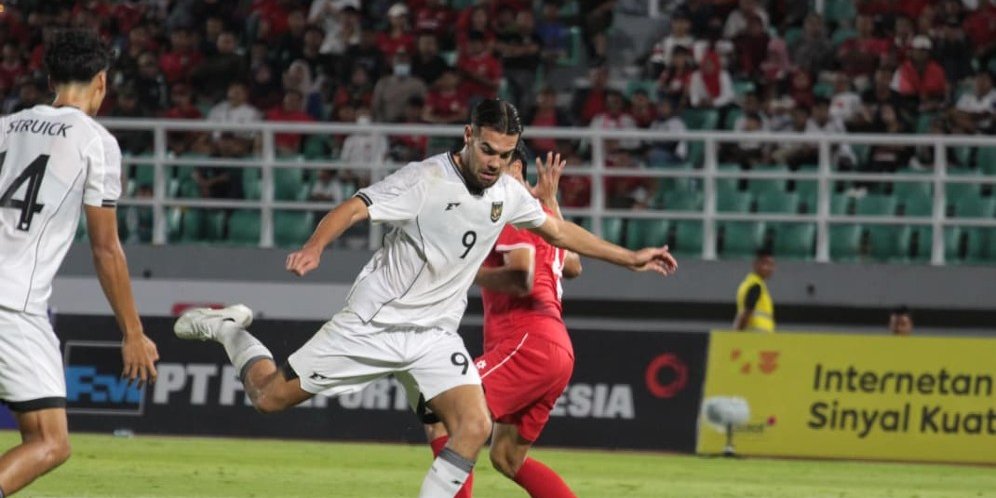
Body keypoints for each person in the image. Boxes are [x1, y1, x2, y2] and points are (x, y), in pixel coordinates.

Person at [172, 99, 677, 498]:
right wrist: (314, 246)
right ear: (468, 137)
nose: (495, 163)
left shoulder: (508, 191)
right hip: (373, 324)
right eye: (487, 150)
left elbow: (562, 235)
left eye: (505, 154)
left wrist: (631, 257)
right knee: (269, 399)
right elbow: (353, 207)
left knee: (474, 425)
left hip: (434, 336)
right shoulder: (424, 179)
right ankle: (230, 330)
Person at [0, 29, 159, 497]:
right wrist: (132, 331)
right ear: (102, 83)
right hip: (13, 307)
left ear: (50, 78)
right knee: (50, 442)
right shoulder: (96, 142)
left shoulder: (6, 127)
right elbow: (105, 247)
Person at [422, 144, 582, 498]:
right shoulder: (540, 213)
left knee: (441, 411)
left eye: (497, 162)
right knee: (507, 457)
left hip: (528, 342)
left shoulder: (510, 211)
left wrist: (465, 271)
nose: (486, 169)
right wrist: (551, 201)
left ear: (515, 168)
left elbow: (522, 275)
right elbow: (573, 265)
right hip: (556, 350)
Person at [734, 248, 775, 333]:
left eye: (771, 265)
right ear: (755, 264)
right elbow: (747, 312)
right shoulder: (756, 286)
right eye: (766, 264)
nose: (769, 268)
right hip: (757, 338)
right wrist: (737, 335)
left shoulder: (747, 284)